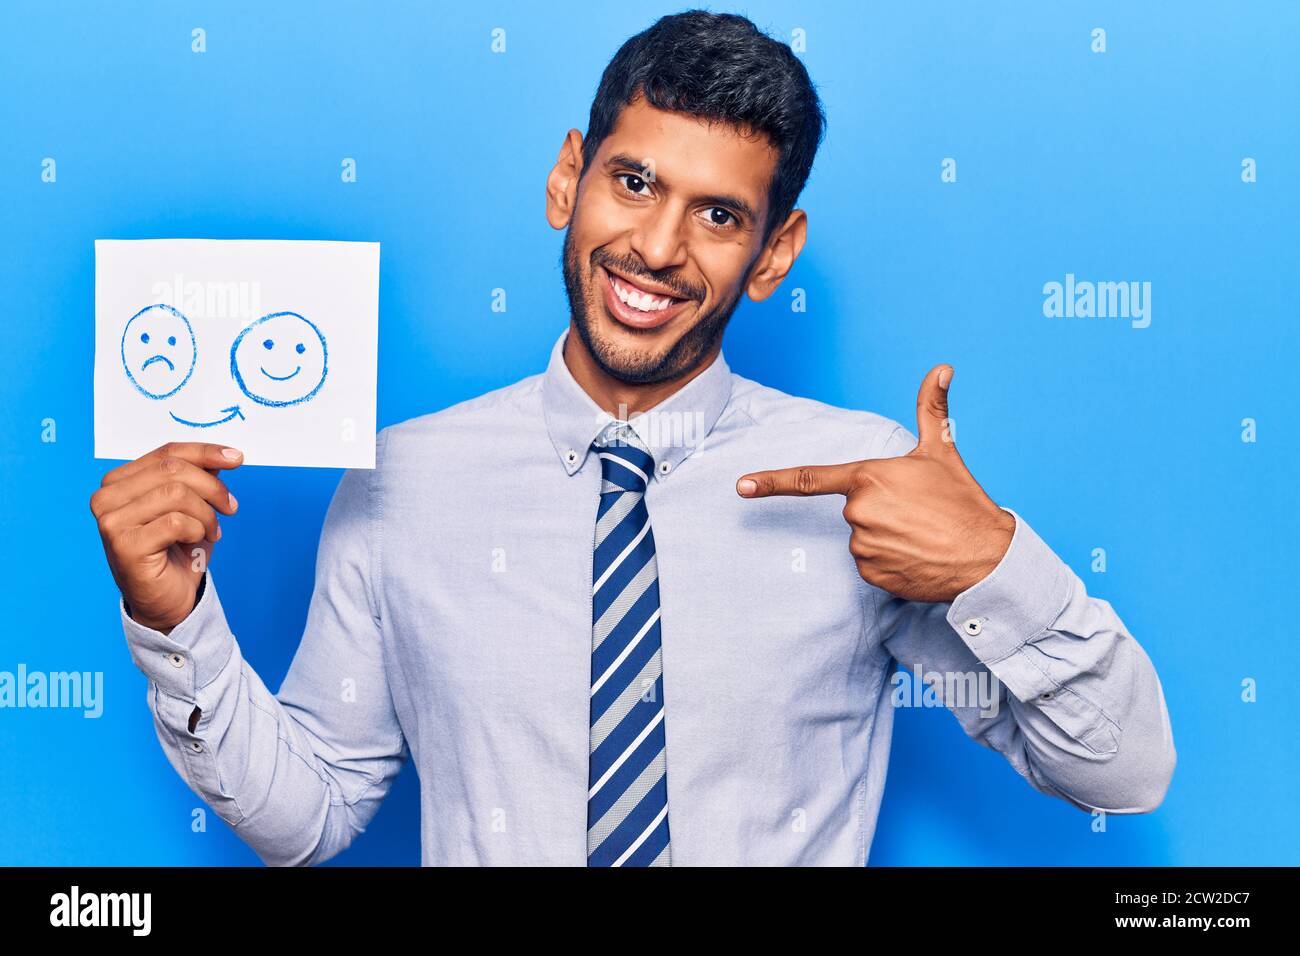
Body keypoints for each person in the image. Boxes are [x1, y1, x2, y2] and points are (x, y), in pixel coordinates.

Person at [90, 10, 1175, 866]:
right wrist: (172, 617)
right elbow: (311, 813)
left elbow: (1121, 775)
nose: (656, 246)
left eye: (717, 214)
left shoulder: (864, 483)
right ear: (571, 177)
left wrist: (999, 562)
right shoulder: (407, 478)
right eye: (634, 180)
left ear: (773, 250)